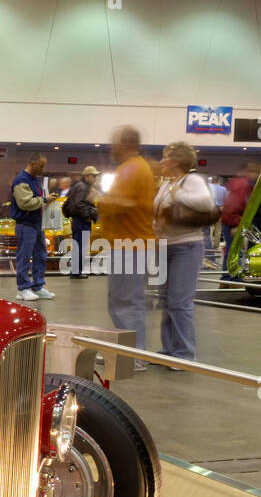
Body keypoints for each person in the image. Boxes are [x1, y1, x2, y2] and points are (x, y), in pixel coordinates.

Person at [95, 126, 155, 368]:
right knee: (125, 301)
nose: (111, 147)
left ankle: (134, 356)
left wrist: (97, 199)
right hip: (130, 244)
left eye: (114, 143)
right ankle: (127, 351)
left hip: (129, 245)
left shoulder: (131, 169)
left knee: (125, 303)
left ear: (125, 145)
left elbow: (124, 203)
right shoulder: (136, 167)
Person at [153, 142, 214, 366]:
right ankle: (169, 350)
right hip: (166, 247)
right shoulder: (168, 184)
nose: (161, 162)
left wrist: (177, 194)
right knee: (167, 300)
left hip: (186, 247)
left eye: (165, 158)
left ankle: (185, 355)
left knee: (179, 301)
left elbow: (206, 203)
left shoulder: (192, 181)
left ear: (176, 161)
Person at [8, 153, 54, 301]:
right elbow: (25, 203)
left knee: (41, 255)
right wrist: (45, 199)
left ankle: (37, 286)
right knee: (24, 256)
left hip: (37, 224)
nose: (42, 169)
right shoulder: (21, 180)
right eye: (41, 166)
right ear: (32, 163)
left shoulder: (34, 180)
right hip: (26, 224)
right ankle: (22, 288)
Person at [63, 166, 100, 277]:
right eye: (94, 176)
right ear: (87, 176)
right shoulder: (83, 187)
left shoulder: (80, 186)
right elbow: (78, 204)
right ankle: (76, 272)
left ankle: (76, 271)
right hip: (81, 222)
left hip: (79, 221)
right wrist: (88, 215)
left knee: (79, 247)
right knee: (80, 247)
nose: (95, 178)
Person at [220, 163, 256, 262]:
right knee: (234, 252)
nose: (256, 174)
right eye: (253, 171)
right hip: (232, 222)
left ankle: (228, 275)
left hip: (232, 221)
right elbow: (234, 206)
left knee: (233, 251)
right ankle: (230, 276)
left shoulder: (244, 185)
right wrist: (235, 225)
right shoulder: (243, 185)